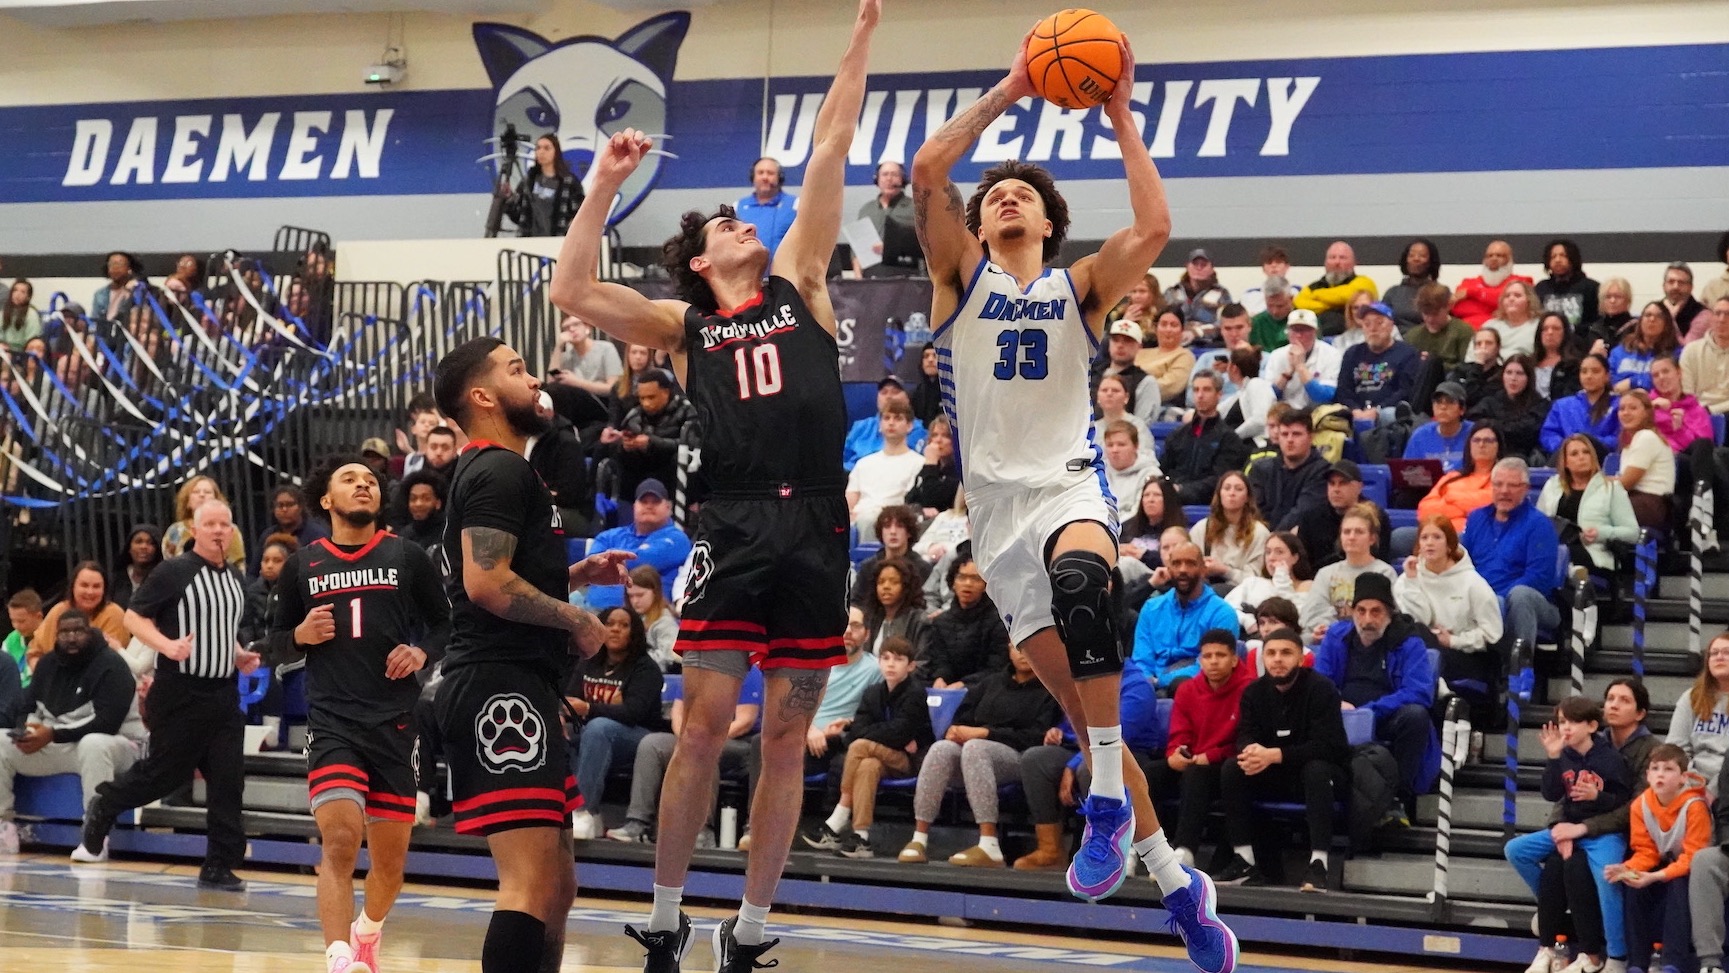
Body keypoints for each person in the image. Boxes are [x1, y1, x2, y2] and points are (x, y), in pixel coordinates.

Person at [552, 8, 882, 963]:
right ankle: (663, 914)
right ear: (702, 262)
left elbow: (832, 139)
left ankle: (751, 928)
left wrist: (858, 31)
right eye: (729, 223)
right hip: (729, 528)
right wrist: (603, 183)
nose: (748, 220)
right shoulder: (682, 325)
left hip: (816, 523)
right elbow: (570, 291)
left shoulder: (802, 280)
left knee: (785, 738)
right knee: (699, 730)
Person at [909, 25, 1236, 968]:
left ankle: (1100, 806)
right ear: (978, 226)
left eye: (1024, 194)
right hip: (995, 520)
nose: (1004, 195)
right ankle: (1176, 885)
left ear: (1049, 223)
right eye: (994, 195)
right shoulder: (956, 280)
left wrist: (1124, 119)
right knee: (1086, 709)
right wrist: (1016, 83)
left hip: (1067, 484)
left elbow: (1156, 230)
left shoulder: (1080, 288)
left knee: (1093, 589)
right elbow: (931, 165)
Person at [429, 337, 631, 973]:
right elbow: (486, 584)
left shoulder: (506, 470)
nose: (534, 379)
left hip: (520, 685)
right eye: (516, 370)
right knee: (528, 885)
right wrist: (577, 618)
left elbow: (488, 575)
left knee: (557, 887)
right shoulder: (498, 468)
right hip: (499, 689)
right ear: (483, 397)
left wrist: (570, 575)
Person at [266, 458, 450, 973]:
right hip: (331, 722)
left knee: (390, 866)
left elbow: (444, 625)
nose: (363, 484)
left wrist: (420, 653)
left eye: (370, 480)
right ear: (325, 500)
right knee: (341, 838)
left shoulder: (407, 556)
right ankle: (338, 957)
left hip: (394, 723)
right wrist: (300, 636)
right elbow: (274, 643)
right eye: (349, 479)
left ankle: (367, 931)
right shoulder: (301, 565)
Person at [77, 500, 261, 888]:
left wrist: (239, 655)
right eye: (209, 524)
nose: (217, 530)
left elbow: (220, 630)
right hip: (179, 692)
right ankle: (106, 802)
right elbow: (133, 616)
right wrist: (167, 645)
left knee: (229, 781)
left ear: (232, 531)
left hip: (223, 695)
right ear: (195, 529)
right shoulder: (173, 571)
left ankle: (218, 865)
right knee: (164, 775)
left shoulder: (235, 579)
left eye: (224, 524)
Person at [897, 643, 1060, 867]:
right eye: (1017, 648)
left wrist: (985, 733)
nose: (1022, 655)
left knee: (976, 747)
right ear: (1009, 650)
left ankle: (989, 844)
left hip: (1019, 757)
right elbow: (962, 716)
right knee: (940, 749)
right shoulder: (991, 682)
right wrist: (954, 730)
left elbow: (1037, 736)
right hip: (973, 757)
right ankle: (919, 839)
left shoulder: (1050, 688)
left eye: (1028, 648)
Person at [1212, 627, 1350, 891]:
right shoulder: (1253, 692)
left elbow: (1329, 746)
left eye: (1286, 653)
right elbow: (1244, 734)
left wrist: (1275, 754)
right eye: (1271, 653)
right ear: (1263, 659)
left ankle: (1319, 863)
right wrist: (1251, 751)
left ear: (1301, 658)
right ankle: (1244, 859)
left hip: (1319, 775)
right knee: (1233, 767)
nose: (1277, 659)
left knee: (1317, 770)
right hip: (1274, 774)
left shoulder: (1323, 689)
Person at [0, 610, 143, 856]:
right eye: (65, 632)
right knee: (1, 740)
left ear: (90, 632)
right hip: (64, 744)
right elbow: (26, 707)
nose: (72, 637)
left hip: (120, 746)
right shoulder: (47, 664)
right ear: (56, 635)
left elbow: (106, 724)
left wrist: (51, 734)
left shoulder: (112, 665)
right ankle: (4, 827)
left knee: (94, 743)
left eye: (78, 631)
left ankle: (95, 836)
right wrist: (27, 731)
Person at [738, 607, 881, 849]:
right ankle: (757, 828)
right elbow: (792, 705)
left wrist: (849, 724)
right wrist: (809, 728)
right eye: (844, 625)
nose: (848, 631)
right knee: (761, 743)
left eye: (856, 626)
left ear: (867, 634)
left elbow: (878, 714)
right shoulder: (817, 664)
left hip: (840, 743)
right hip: (804, 733)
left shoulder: (876, 670)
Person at [1512, 696, 1634, 973]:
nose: (1565, 728)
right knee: (1516, 851)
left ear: (1592, 725)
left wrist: (1598, 796)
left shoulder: (1610, 758)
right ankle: (1555, 906)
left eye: (1573, 722)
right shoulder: (1563, 754)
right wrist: (1553, 758)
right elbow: (1551, 794)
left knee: (1608, 882)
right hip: (1569, 829)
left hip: (1604, 834)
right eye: (1562, 721)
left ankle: (1616, 955)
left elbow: (1624, 801)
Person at [1313, 573, 1439, 810]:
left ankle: (1399, 796)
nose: (1367, 619)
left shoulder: (1409, 641)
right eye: (1361, 611)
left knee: (1416, 716)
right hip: (1342, 715)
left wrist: (1369, 711)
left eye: (1376, 611)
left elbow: (1419, 691)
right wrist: (1336, 702)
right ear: (1351, 611)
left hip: (1387, 716)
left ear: (1389, 613)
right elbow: (1320, 682)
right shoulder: (1336, 636)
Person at [800, 636, 932, 859]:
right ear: (878, 662)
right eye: (886, 658)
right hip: (881, 757)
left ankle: (838, 816)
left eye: (898, 659)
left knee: (860, 746)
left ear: (910, 666)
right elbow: (860, 729)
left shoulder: (916, 693)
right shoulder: (873, 692)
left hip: (908, 761)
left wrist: (879, 733)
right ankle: (861, 837)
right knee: (868, 766)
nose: (891, 664)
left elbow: (897, 733)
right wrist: (885, 732)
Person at [607, 667, 762, 846]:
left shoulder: (747, 671)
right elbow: (677, 713)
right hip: (694, 738)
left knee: (703, 749)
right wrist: (685, 739)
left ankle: (702, 832)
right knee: (652, 744)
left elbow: (744, 721)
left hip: (737, 743)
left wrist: (706, 740)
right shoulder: (694, 668)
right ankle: (638, 823)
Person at [1146, 629, 1253, 870]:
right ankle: (1143, 849)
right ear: (1200, 660)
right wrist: (1176, 751)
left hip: (1228, 766)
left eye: (1220, 655)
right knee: (1149, 773)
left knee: (1196, 775)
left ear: (1234, 659)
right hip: (1194, 759)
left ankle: (1185, 851)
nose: (1213, 661)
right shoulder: (1187, 690)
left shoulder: (1250, 689)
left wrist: (1213, 755)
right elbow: (1180, 732)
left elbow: (1247, 739)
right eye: (1207, 656)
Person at [1605, 743, 1708, 973]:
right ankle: (1637, 963)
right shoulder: (1640, 805)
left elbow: (1693, 857)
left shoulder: (1695, 806)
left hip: (1692, 870)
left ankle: (1672, 963)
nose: (1660, 774)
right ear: (1648, 775)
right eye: (1655, 768)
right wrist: (1627, 868)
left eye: (1669, 769)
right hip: (1664, 865)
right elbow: (1646, 851)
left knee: (1679, 884)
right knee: (1632, 885)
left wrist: (1654, 876)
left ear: (1683, 777)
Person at [566, 606, 666, 839]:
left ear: (634, 633)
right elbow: (569, 700)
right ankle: (555, 810)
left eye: (623, 625)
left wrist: (590, 707)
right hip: (594, 732)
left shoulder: (645, 669)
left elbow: (633, 713)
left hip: (638, 738)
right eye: (610, 623)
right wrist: (566, 713)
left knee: (599, 727)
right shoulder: (588, 662)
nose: (615, 629)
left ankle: (582, 811)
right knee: (559, 731)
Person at [1394, 516, 1503, 727]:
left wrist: (1453, 641)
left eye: (1437, 537)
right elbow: (1419, 619)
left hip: (1465, 657)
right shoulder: (1407, 580)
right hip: (1423, 652)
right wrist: (1413, 582)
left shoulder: (1473, 583)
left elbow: (1493, 634)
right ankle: (1440, 689)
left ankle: (1438, 688)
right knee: (1414, 630)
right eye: (1424, 537)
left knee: (1417, 634)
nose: (1429, 543)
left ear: (1450, 544)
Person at [1461, 458, 1560, 660]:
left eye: (1512, 485)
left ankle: (1519, 671)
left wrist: (1494, 601)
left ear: (1526, 488)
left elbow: (1539, 579)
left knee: (1520, 595)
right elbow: (1462, 565)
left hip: (1530, 603)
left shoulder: (1539, 524)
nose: (1504, 491)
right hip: (1482, 599)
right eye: (1498, 484)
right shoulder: (1476, 518)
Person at [1131, 542, 1240, 696]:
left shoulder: (1222, 613)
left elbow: (1210, 665)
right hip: (1151, 684)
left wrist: (1161, 681)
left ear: (1203, 570)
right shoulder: (1151, 608)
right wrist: (1146, 680)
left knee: (1182, 685)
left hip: (1197, 687)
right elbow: (1141, 658)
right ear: (1168, 569)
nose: (1182, 570)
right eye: (1176, 564)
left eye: (1190, 563)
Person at [1535, 435, 1640, 580]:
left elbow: (1633, 532)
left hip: (1594, 554)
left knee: (1561, 554)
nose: (1582, 457)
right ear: (1565, 462)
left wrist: (1600, 533)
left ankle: (1570, 572)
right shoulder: (1552, 486)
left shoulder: (1611, 488)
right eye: (1574, 454)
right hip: (1554, 548)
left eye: (1586, 452)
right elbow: (1538, 524)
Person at [580, 480, 692, 609]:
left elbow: (643, 561)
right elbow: (593, 566)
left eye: (656, 502)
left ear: (668, 508)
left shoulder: (678, 539)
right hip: (591, 611)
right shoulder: (608, 536)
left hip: (645, 619)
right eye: (644, 502)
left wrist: (611, 557)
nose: (649, 506)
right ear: (634, 507)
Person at [1305, 503, 1397, 635]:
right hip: (1332, 637)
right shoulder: (1325, 573)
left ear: (1372, 538)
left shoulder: (1384, 572)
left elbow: (1388, 615)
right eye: (1346, 532)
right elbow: (1313, 613)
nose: (1351, 537)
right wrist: (1332, 628)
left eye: (1359, 532)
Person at [848, 396, 930, 540]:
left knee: (868, 521)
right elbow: (850, 500)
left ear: (909, 425)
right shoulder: (864, 463)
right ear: (880, 424)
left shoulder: (919, 463)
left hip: (891, 522)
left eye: (898, 418)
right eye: (886, 418)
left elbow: (908, 503)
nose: (891, 423)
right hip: (858, 520)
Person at [924, 554, 1010, 689]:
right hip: (949, 689)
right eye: (962, 577)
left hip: (986, 689)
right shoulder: (941, 622)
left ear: (986, 585)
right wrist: (941, 678)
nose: (968, 584)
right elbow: (940, 661)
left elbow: (997, 667)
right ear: (953, 582)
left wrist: (964, 684)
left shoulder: (998, 621)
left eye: (975, 579)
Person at [1164, 373, 1248, 506]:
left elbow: (1220, 479)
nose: (1200, 395)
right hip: (1172, 500)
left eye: (1206, 389)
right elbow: (1164, 469)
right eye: (1196, 390)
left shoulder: (1229, 439)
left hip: (1209, 504)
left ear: (1219, 394)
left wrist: (1182, 490)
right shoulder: (1177, 435)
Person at [1289, 459, 1391, 569]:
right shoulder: (1310, 517)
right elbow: (1303, 564)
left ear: (1359, 487)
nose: (1336, 489)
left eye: (1343, 483)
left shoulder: (1376, 517)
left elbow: (1381, 559)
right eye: (1332, 483)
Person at [28, 561, 128, 668]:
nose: (90, 592)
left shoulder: (114, 614)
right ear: (73, 586)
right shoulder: (58, 610)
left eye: (96, 586)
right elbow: (34, 654)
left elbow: (109, 661)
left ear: (104, 590)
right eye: (84, 585)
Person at [1337, 301, 1420, 425]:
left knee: (1390, 415)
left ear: (1391, 325)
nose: (1373, 328)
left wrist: (1377, 410)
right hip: (1355, 412)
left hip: (1387, 412)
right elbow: (1344, 390)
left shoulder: (1407, 353)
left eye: (1379, 323)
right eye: (1367, 324)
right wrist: (1355, 410)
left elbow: (1405, 391)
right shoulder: (1352, 353)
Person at [1667, 632, 1729, 797]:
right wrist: (1692, 785)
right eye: (1714, 653)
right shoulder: (1691, 697)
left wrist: (1712, 792)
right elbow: (1675, 748)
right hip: (1691, 781)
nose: (1719, 657)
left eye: (1726, 653)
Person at [1249, 407, 1332, 530]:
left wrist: (1275, 540)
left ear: (1311, 437)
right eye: (1284, 434)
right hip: (1262, 540)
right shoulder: (1260, 469)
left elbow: (1304, 512)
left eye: (1296, 434)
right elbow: (1254, 511)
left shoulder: (1323, 471)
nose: (1290, 440)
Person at [1414, 422, 1503, 534]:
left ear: (1498, 446)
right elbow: (1424, 510)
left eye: (1488, 440)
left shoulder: (1503, 479)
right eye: (1476, 440)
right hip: (1438, 532)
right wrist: (1463, 510)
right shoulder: (1452, 477)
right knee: (1401, 535)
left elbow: (1487, 506)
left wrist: (1450, 496)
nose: (1481, 444)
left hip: (1475, 533)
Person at [1189, 470, 1269, 586]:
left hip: (1242, 592)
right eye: (1227, 488)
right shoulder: (1202, 528)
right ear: (1219, 494)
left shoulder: (1260, 533)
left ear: (1247, 497)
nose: (1232, 493)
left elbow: (1258, 581)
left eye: (1238, 489)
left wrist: (1225, 571)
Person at [498, 132, 584, 238]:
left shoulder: (569, 182)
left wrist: (569, 230)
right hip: (528, 242)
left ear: (556, 152)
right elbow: (518, 216)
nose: (541, 152)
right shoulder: (529, 179)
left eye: (547, 148)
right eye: (538, 148)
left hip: (558, 241)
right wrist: (509, 198)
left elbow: (581, 213)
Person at [1612, 389, 1676, 529]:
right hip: (1635, 499)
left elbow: (1626, 483)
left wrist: (1595, 485)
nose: (1626, 413)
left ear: (1647, 412)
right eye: (1622, 409)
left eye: (1633, 408)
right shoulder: (1629, 444)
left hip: (1650, 504)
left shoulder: (1646, 437)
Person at [1468, 355, 1550, 461]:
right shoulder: (1491, 401)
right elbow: (1473, 420)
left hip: (1525, 457)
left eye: (1519, 373)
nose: (1513, 378)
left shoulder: (1540, 404)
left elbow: (1524, 431)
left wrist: (1493, 426)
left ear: (1529, 377)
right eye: (1509, 372)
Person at [1540, 353, 1621, 459]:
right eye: (1584, 371)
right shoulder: (1562, 405)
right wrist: (1568, 447)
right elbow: (1548, 434)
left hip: (1604, 459)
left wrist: (1588, 444)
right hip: (1568, 459)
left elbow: (1621, 436)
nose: (1589, 376)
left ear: (1607, 376)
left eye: (1595, 371)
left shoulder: (1619, 404)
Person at [850, 506, 933, 607]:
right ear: (881, 532)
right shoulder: (868, 566)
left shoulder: (922, 567)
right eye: (887, 526)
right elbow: (856, 601)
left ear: (909, 532)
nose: (893, 532)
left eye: (900, 526)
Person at [161, 474, 246, 570]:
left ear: (216, 499)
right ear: (187, 501)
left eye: (208, 492)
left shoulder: (230, 530)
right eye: (196, 492)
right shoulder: (175, 530)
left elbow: (238, 565)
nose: (202, 495)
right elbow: (168, 563)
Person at [1295, 241, 1379, 334]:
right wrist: (1336, 304)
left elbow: (1348, 295)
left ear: (1354, 263)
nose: (1337, 262)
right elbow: (1299, 303)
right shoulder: (1312, 287)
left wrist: (1317, 295)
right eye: (1332, 257)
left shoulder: (1364, 282)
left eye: (1343, 258)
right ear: (1325, 262)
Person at [842, 379, 928, 469]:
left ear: (907, 399)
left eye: (895, 392)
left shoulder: (918, 430)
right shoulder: (861, 426)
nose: (889, 396)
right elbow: (842, 457)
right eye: (884, 392)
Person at [1264, 309, 1341, 410]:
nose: (1299, 335)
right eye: (1295, 330)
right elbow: (1268, 398)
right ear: (1287, 332)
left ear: (1315, 332)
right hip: (1285, 413)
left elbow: (1325, 397)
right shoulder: (1277, 355)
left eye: (1305, 330)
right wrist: (1287, 374)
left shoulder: (1331, 354)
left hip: (1317, 412)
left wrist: (1301, 367)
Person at [250, 484, 331, 576]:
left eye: (289, 504)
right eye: (280, 505)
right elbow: (253, 573)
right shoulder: (268, 535)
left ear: (300, 507)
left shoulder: (317, 534)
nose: (284, 509)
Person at [1452, 240, 1533, 328]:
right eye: (1489, 256)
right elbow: (1457, 309)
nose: (1493, 259)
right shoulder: (1467, 283)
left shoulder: (1523, 282)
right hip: (1468, 333)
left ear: (1509, 259)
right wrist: (1494, 307)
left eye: (1499, 255)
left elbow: (1518, 308)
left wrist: (1473, 293)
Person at [1091, 317, 1159, 420]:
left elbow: (1142, 425)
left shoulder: (1145, 381)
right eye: (1116, 340)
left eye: (1127, 341)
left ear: (1139, 347)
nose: (1120, 345)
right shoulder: (1092, 373)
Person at [855, 160, 915, 275]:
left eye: (894, 174)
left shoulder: (914, 208)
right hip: (871, 276)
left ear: (903, 180)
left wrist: (890, 248)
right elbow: (857, 249)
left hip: (905, 274)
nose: (889, 179)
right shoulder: (866, 210)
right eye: (885, 174)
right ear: (877, 179)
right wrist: (857, 275)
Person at [858, 556, 927, 654]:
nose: (886, 587)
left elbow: (923, 661)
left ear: (906, 586)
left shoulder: (919, 621)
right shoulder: (871, 618)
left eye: (894, 582)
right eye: (880, 582)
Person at [1609, 301, 1681, 394]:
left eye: (1658, 316)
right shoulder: (1620, 351)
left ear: (1666, 324)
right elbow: (1611, 381)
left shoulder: (1676, 353)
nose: (1652, 319)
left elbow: (1668, 379)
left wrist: (1632, 382)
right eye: (1647, 315)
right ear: (1640, 320)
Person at [1405, 282, 1475, 373]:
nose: (1430, 319)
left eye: (1435, 314)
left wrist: (1432, 364)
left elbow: (1467, 367)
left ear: (1449, 306)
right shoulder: (1412, 336)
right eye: (1426, 314)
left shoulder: (1463, 331)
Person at [547, 314, 624, 398]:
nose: (572, 329)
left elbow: (614, 389)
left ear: (587, 327)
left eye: (576, 324)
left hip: (602, 403)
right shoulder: (567, 357)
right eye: (566, 328)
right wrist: (558, 347)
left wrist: (577, 382)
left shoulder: (606, 349)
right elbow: (551, 384)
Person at [736, 156, 796, 260]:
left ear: (779, 177)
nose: (765, 177)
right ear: (753, 177)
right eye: (760, 173)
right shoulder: (738, 207)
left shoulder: (796, 205)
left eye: (770, 173)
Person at [1404, 381, 1474, 469]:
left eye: (1450, 402)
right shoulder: (1420, 436)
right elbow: (1408, 472)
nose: (1443, 407)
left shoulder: (1475, 433)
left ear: (1462, 409)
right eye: (1438, 402)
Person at [903, 414, 960, 517]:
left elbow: (932, 497)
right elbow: (909, 499)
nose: (938, 440)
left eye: (945, 436)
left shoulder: (959, 471)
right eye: (934, 435)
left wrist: (930, 464)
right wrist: (920, 509)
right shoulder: (932, 466)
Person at [1680, 295, 1729, 416]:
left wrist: (1713, 410)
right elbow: (1687, 392)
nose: (1722, 319)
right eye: (1717, 313)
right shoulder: (1691, 350)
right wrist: (1700, 411)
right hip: (1697, 413)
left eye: (1728, 314)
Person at [1139, 309, 1197, 410]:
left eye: (1174, 325)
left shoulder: (1185, 356)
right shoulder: (1141, 353)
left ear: (1182, 330)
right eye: (1163, 324)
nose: (1168, 329)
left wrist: (1132, 390)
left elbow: (1170, 387)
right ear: (1156, 328)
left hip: (1160, 405)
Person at [1101, 421, 1158, 523]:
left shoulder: (1151, 474)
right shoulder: (1097, 472)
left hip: (1132, 532)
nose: (1115, 450)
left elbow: (1140, 514)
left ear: (1135, 446)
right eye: (1110, 445)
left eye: (1121, 445)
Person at [1535, 238, 1599, 328]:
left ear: (1573, 259)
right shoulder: (1541, 288)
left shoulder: (1591, 288)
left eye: (1563, 255)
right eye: (1553, 256)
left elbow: (1598, 322)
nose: (1557, 260)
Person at [1163, 248, 1232, 332]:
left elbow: (1227, 323)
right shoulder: (1172, 292)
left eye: (1204, 264)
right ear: (1187, 266)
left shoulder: (1222, 294)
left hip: (1210, 343)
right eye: (1195, 264)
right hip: (1176, 340)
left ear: (1212, 269)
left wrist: (1198, 333)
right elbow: (1162, 320)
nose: (1199, 268)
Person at [626, 566, 679, 671]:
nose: (635, 601)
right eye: (631, 596)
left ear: (655, 592)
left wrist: (630, 662)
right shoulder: (635, 618)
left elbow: (669, 657)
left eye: (640, 595)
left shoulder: (665, 621)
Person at [1382, 238, 1442, 330]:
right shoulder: (1393, 293)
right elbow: (1381, 321)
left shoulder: (1438, 293)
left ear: (1430, 262)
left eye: (1422, 256)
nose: (1416, 259)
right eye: (1411, 255)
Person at [1221, 347, 1278, 443]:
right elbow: (1219, 410)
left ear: (1234, 368)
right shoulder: (1241, 392)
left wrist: (1233, 438)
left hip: (1254, 446)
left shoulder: (1256, 384)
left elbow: (1259, 420)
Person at [109, 523, 164, 610]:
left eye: (150, 543)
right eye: (138, 541)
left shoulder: (163, 580)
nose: (144, 547)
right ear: (129, 548)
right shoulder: (117, 579)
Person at [1484, 280, 1543, 359]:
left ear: (1529, 301)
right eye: (1507, 296)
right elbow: (1472, 356)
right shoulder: (1490, 326)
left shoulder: (1539, 326)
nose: (1511, 299)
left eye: (1517, 295)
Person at [1532, 311, 1584, 402]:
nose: (1550, 332)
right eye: (1545, 329)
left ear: (1565, 333)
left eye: (1556, 328)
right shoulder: (1529, 363)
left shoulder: (1574, 365)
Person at [1448, 327, 1503, 408]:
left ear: (1498, 348)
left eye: (1489, 343)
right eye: (1478, 343)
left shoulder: (1502, 374)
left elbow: (1472, 398)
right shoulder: (1461, 369)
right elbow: (1456, 398)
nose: (1483, 347)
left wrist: (1479, 364)